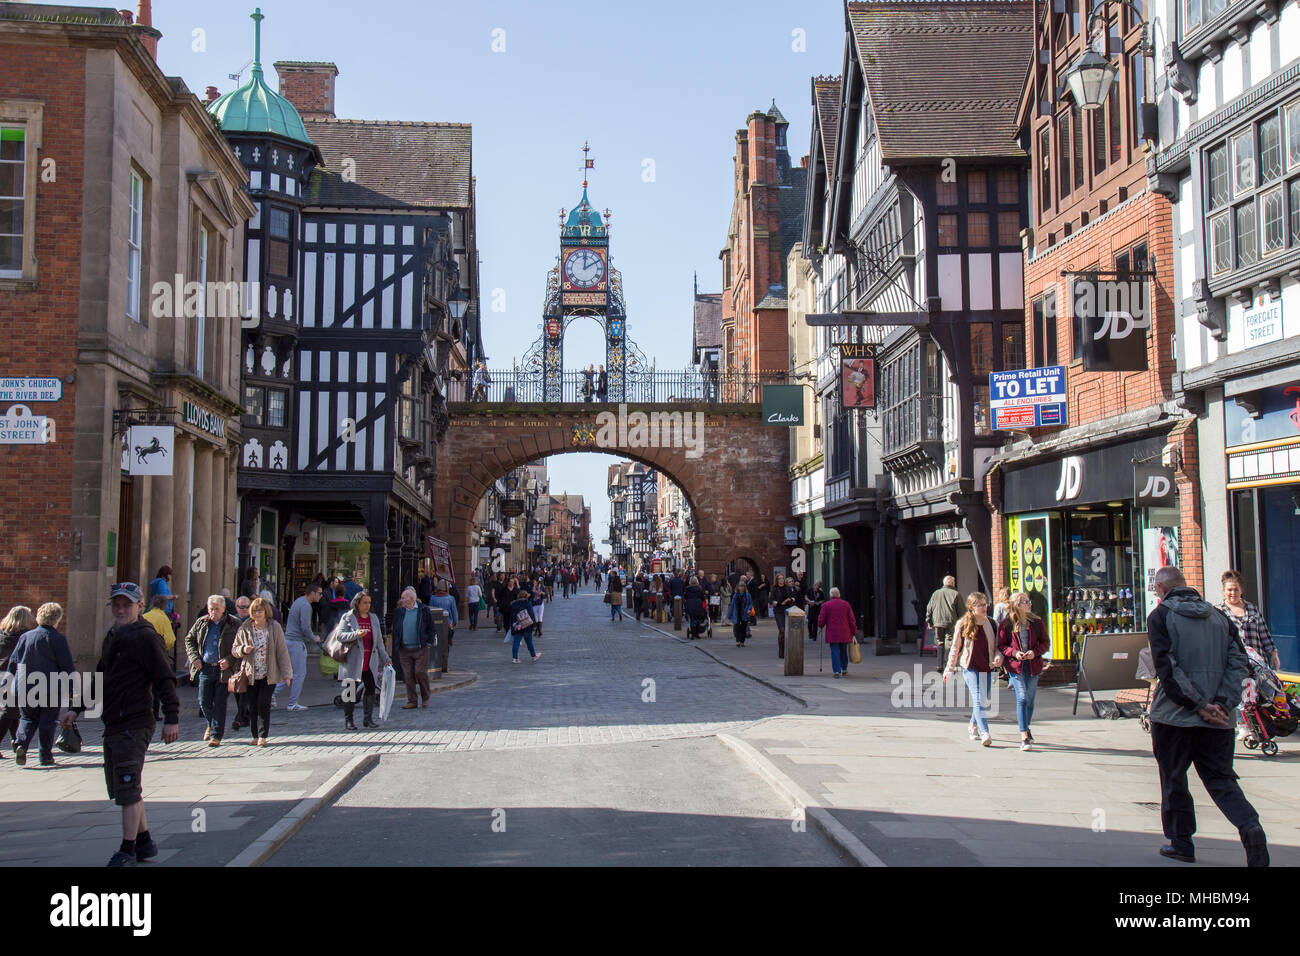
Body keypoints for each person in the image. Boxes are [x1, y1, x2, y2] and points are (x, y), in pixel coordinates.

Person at [1147, 566, 1268, 866]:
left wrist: (1199, 704)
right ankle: (1250, 827)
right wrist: (1222, 703)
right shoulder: (1221, 618)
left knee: (1174, 779)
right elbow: (1240, 663)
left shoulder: (1160, 617)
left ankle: (1181, 843)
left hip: (1174, 718)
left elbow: (1167, 668)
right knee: (1222, 779)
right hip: (1219, 720)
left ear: (1162, 589)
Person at [98, 582, 180, 866]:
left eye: (127, 604)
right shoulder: (113, 634)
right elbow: (101, 674)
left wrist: (171, 718)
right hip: (114, 722)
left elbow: (164, 678)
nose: (120, 609)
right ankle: (144, 842)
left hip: (135, 722)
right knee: (127, 787)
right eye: (117, 604)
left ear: (140, 606)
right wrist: (76, 708)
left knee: (127, 785)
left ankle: (127, 848)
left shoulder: (146, 637)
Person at [7, 602, 76, 767]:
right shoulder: (57, 639)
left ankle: (21, 744)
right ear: (57, 619)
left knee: (27, 718)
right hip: (50, 687)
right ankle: (45, 755)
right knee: (48, 721)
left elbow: (14, 661)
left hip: (25, 686)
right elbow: (66, 666)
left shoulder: (26, 637)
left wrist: (7, 682)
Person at [943, 592, 1002, 746]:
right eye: (980, 605)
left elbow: (997, 647)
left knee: (983, 699)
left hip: (987, 667)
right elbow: (955, 648)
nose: (984, 607)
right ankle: (985, 732)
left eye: (985, 604)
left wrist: (998, 658)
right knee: (978, 698)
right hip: (970, 667)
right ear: (971, 607)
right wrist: (949, 669)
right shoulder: (963, 623)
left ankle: (972, 724)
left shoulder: (993, 623)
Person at [231, 597, 292, 747]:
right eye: (255, 611)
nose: (257, 614)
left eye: (260, 610)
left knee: (263, 703)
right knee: (252, 705)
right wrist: (243, 649)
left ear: (266, 612)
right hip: (250, 673)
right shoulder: (245, 627)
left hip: (268, 673)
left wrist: (287, 674)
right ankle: (254, 735)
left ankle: (263, 735)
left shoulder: (274, 627)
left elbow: (282, 652)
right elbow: (234, 649)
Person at [182, 596, 241, 745]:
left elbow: (240, 646)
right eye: (211, 609)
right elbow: (189, 639)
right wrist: (194, 657)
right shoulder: (202, 622)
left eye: (216, 609)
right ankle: (211, 723)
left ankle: (216, 735)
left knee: (220, 702)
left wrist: (230, 660)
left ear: (223, 609)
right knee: (204, 701)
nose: (213, 612)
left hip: (224, 670)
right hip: (206, 668)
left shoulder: (233, 623)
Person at [997, 591, 1050, 751]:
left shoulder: (1036, 622)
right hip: (1016, 667)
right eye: (1026, 602)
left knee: (1030, 700)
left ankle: (1026, 726)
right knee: (1022, 698)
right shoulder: (1006, 624)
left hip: (1033, 665)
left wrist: (1035, 652)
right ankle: (1024, 735)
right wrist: (1014, 653)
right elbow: (1001, 645)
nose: (1030, 604)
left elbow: (1046, 642)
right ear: (1018, 605)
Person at [335, 591, 389, 731]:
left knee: (370, 688)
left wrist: (386, 659)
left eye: (369, 603)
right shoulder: (348, 617)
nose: (367, 605)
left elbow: (379, 642)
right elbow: (339, 636)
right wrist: (356, 634)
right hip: (353, 659)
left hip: (369, 660)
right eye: (364, 603)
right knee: (350, 690)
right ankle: (349, 720)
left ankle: (368, 718)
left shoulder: (373, 618)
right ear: (357, 603)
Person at [1218, 570, 1280, 671]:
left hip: (1257, 666)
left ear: (1241, 590)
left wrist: (1274, 653)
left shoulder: (1252, 609)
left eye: (1236, 589)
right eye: (1229, 590)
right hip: (1233, 667)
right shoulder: (1218, 612)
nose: (1233, 593)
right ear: (1224, 591)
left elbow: (1264, 634)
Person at [0, 605, 38, 759]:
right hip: (17, 676)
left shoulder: (2, 635)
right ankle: (17, 742)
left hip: (2, 675)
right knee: (10, 712)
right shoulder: (26, 636)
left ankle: (17, 743)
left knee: (14, 712)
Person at [280, 583, 323, 712]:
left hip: (290, 641)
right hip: (296, 642)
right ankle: (292, 703)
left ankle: (271, 695)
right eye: (320, 593)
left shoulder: (299, 601)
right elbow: (305, 627)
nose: (321, 596)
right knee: (299, 674)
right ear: (313, 593)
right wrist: (313, 638)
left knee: (289, 673)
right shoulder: (305, 605)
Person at [393, 588, 434, 709]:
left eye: (403, 598)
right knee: (408, 675)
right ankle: (412, 700)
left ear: (411, 599)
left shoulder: (423, 610)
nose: (401, 600)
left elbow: (431, 627)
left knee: (420, 672)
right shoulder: (399, 612)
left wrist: (428, 642)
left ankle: (425, 697)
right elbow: (396, 628)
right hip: (404, 649)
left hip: (420, 648)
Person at [925, 575, 964, 667]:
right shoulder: (956, 594)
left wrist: (929, 621)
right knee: (949, 641)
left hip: (937, 622)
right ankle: (947, 664)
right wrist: (962, 623)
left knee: (939, 641)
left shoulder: (936, 593)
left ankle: (939, 665)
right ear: (953, 583)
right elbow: (961, 611)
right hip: (951, 622)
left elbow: (929, 608)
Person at [818, 587, 857, 677]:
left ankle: (836, 671)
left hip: (833, 633)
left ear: (831, 595)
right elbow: (852, 620)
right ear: (839, 595)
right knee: (843, 650)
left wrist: (820, 625)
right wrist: (854, 631)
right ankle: (844, 668)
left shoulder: (826, 605)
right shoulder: (846, 604)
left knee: (835, 651)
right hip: (845, 632)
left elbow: (821, 619)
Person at [428, 582, 458, 674]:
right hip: (447, 624)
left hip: (435, 624)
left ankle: (436, 663)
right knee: (446, 645)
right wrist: (454, 624)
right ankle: (444, 665)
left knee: (436, 644)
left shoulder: (433, 598)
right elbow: (454, 613)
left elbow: (430, 610)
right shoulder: (450, 598)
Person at [507, 588, 542, 663]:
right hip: (527, 625)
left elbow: (512, 616)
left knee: (516, 641)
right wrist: (534, 625)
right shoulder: (527, 603)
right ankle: (534, 655)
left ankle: (515, 658)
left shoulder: (513, 604)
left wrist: (512, 625)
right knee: (529, 641)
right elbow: (531, 615)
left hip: (518, 625)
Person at [770, 573, 796, 659]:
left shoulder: (787, 588)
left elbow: (793, 597)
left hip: (787, 610)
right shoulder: (774, 589)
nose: (781, 580)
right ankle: (781, 650)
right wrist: (775, 602)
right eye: (779, 579)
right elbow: (771, 600)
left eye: (782, 579)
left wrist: (789, 599)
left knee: (787, 631)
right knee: (782, 629)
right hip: (778, 611)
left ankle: (786, 649)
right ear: (777, 580)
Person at [727, 581, 754, 648]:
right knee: (736, 628)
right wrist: (729, 615)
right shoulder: (735, 595)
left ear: (744, 587)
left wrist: (749, 610)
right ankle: (738, 641)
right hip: (737, 613)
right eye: (740, 586)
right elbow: (732, 605)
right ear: (738, 587)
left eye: (742, 586)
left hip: (744, 613)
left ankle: (742, 642)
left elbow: (750, 604)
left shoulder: (748, 595)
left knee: (743, 628)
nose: (741, 588)